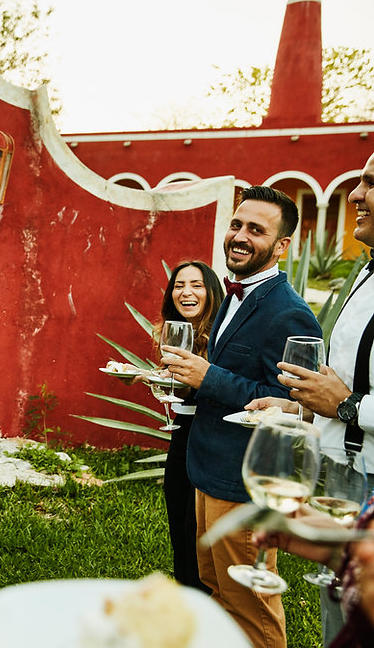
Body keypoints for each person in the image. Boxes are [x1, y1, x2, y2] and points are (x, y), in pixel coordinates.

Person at [163, 185, 322, 648]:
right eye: (236, 224)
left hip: (245, 484)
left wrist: (206, 376)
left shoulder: (290, 314)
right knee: (216, 593)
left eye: (256, 229)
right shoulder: (231, 293)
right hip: (206, 472)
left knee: (251, 608)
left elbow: (295, 405)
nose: (240, 236)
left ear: (281, 245)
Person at [247, 151, 374, 646]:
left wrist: (346, 407)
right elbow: (347, 382)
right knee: (338, 622)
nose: (356, 195)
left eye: (370, 183)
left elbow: (350, 398)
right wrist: (299, 406)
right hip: (343, 476)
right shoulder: (365, 273)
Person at [153, 261, 223, 592]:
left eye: (196, 285)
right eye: (179, 285)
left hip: (211, 439)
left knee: (198, 530)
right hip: (182, 434)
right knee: (179, 523)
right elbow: (181, 391)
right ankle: (186, 595)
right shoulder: (175, 333)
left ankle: (205, 600)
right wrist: (153, 380)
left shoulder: (222, 337)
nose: (186, 292)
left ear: (211, 292)